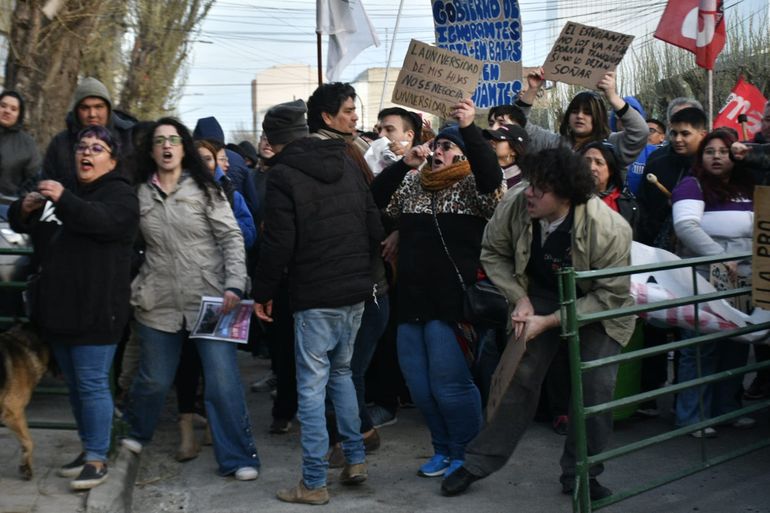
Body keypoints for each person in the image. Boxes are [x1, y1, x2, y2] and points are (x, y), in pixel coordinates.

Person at [441, 146, 634, 500]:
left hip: (597, 304)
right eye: (530, 183)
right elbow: (493, 252)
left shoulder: (608, 228)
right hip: (539, 292)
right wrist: (519, 297)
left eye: (540, 188)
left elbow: (611, 294)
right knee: (517, 378)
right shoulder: (518, 202)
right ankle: (477, 462)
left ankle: (583, 474)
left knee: (595, 389)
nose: (529, 192)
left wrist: (550, 321)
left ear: (564, 195)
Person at [251, 99, 384, 505]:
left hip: (315, 294)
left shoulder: (283, 176)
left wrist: (264, 293)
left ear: (274, 142)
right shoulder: (346, 160)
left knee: (312, 389)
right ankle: (355, 459)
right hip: (355, 291)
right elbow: (373, 224)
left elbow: (277, 243)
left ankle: (312, 482)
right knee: (341, 373)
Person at [370, 98, 505, 479]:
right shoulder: (413, 184)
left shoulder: (474, 188)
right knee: (420, 384)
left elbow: (492, 178)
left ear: (463, 154)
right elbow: (375, 200)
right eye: (437, 145)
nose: (438, 152)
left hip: (453, 303)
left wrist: (466, 128)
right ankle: (441, 448)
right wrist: (404, 164)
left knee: (450, 384)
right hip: (412, 298)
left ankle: (465, 452)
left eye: (448, 147)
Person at [122, 118, 259, 481]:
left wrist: (234, 284)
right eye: (159, 141)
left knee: (222, 380)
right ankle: (134, 433)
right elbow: (121, 241)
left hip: (215, 298)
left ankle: (238, 457)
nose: (167, 146)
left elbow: (231, 237)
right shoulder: (138, 194)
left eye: (174, 140)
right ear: (151, 151)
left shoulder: (206, 190)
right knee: (153, 378)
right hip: (158, 299)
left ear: (183, 148)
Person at [8, 125, 139, 490]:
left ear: (112, 160)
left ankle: (98, 459)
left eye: (97, 148)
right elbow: (21, 220)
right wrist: (26, 207)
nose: (87, 153)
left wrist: (62, 198)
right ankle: (89, 450)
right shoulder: (62, 185)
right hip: (57, 309)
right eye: (82, 146)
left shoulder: (120, 194)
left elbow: (101, 221)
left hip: (98, 310)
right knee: (77, 387)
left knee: (93, 383)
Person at [307, 83, 391, 462]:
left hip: (364, 282)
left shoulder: (357, 151)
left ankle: (351, 440)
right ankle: (357, 436)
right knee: (345, 368)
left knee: (345, 369)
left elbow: (376, 211)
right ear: (327, 117)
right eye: (347, 110)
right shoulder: (331, 155)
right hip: (356, 282)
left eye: (355, 110)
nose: (356, 117)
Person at [671, 129, 756, 436]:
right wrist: (720, 256)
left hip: (743, 282)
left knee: (735, 347)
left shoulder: (747, 187)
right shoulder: (691, 186)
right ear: (701, 156)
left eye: (723, 151)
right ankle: (692, 417)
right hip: (703, 279)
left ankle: (726, 410)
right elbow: (685, 226)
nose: (717, 156)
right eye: (710, 151)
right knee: (700, 348)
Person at [515, 69, 647, 168]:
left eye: (588, 112)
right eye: (575, 111)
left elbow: (640, 132)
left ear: (599, 116)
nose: (579, 116)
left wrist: (612, 97)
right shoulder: (553, 143)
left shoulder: (610, 144)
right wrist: (532, 90)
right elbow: (517, 129)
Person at [39, 77, 136, 189]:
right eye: (85, 108)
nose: (92, 114)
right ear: (76, 111)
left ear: (108, 109)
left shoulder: (127, 140)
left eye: (98, 107)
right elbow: (46, 183)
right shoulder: (60, 143)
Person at [581, 141, 638, 233]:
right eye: (586, 161)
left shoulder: (627, 204)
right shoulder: (569, 198)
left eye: (599, 163)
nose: (591, 167)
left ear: (611, 170)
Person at [0, 91, 41, 196]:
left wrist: (19, 202)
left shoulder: (27, 144)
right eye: (3, 106)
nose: (7, 111)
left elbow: (34, 180)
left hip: (7, 206)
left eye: (13, 109)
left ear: (19, 114)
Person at [482, 123, 529, 188]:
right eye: (491, 138)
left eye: (499, 139)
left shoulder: (522, 183)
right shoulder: (482, 170)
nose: (492, 141)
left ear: (513, 151)